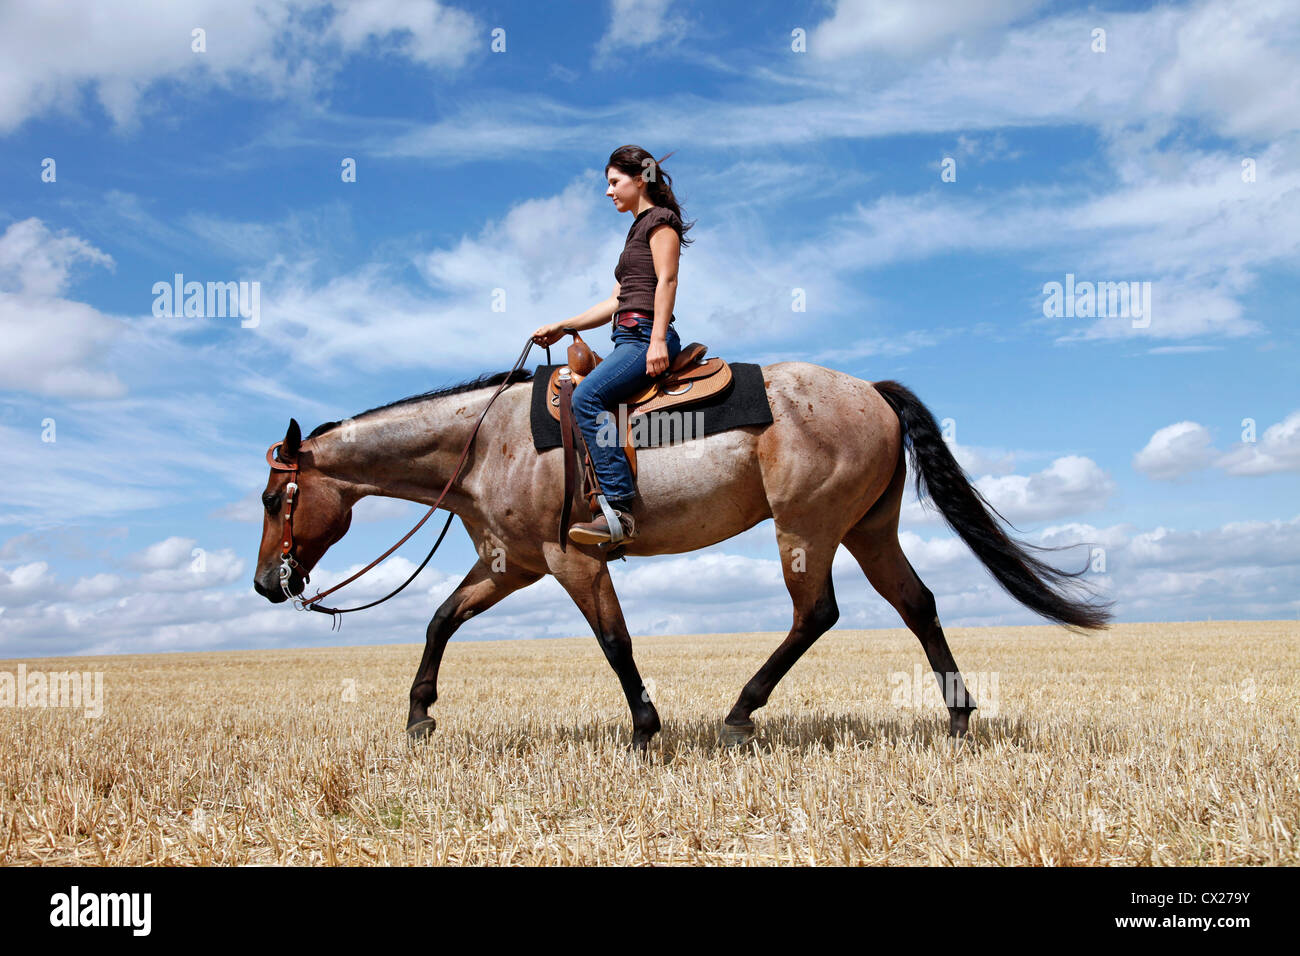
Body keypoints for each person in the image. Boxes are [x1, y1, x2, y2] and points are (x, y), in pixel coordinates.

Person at [532, 145, 695, 545]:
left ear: (640, 179)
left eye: (614, 182)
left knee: (585, 398)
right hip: (626, 334)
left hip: (643, 335)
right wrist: (563, 325)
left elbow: (668, 281)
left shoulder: (660, 222)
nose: (608, 192)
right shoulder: (634, 233)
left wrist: (657, 340)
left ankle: (618, 509)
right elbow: (613, 302)